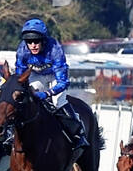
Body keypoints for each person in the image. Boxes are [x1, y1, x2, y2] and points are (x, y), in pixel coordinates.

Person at [13, 18, 88, 150]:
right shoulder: (22, 51)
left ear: (43, 40)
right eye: (29, 42)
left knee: (58, 101)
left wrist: (47, 93)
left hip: (54, 75)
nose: (33, 45)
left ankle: (78, 134)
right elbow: (20, 76)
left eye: (36, 41)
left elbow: (62, 82)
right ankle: (11, 134)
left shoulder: (55, 49)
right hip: (36, 75)